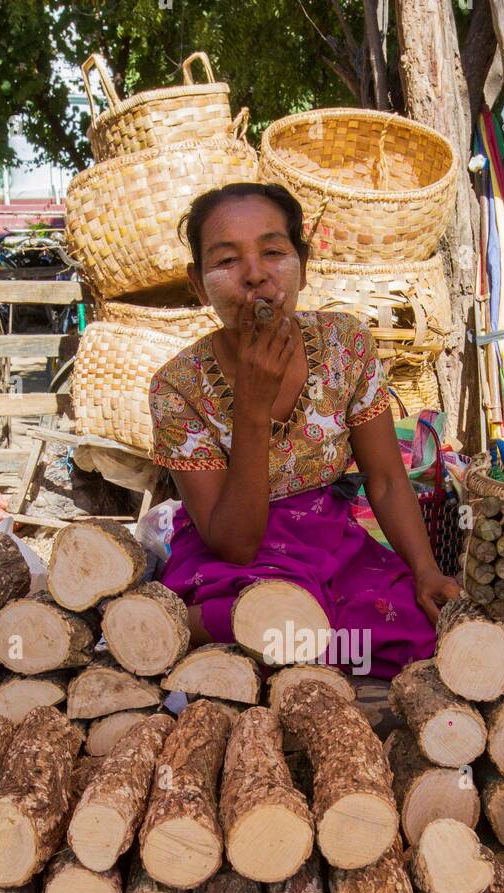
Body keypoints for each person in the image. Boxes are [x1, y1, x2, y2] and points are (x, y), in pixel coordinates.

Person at [149, 181, 459, 680]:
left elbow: (384, 480)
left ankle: (260, 642)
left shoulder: (345, 344)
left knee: (414, 631)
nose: (254, 276)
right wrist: (251, 407)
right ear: (198, 284)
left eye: (273, 252)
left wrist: (425, 571)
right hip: (232, 551)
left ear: (304, 264)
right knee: (259, 613)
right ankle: (216, 627)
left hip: (325, 538)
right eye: (227, 261)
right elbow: (233, 544)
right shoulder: (177, 386)